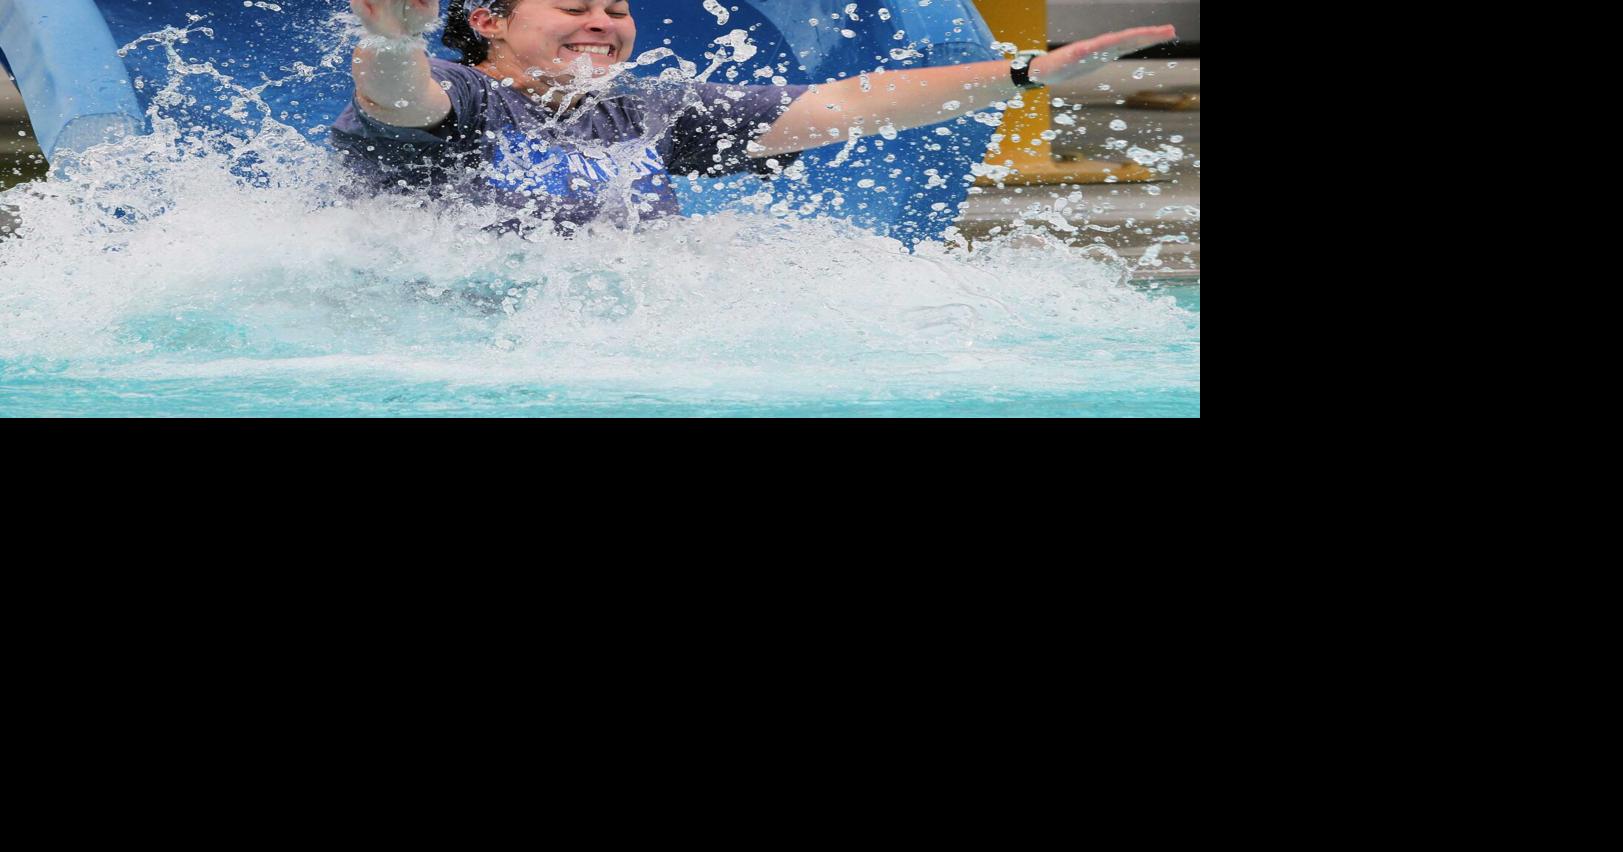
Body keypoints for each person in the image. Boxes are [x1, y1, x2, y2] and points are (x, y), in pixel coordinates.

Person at [332, 0, 1174, 229]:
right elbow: (398, 98)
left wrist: (1026, 72)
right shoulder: (465, 92)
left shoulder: (649, 110)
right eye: (574, 6)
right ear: (488, 23)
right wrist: (393, 39)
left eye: (617, 9)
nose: (603, 23)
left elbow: (843, 103)